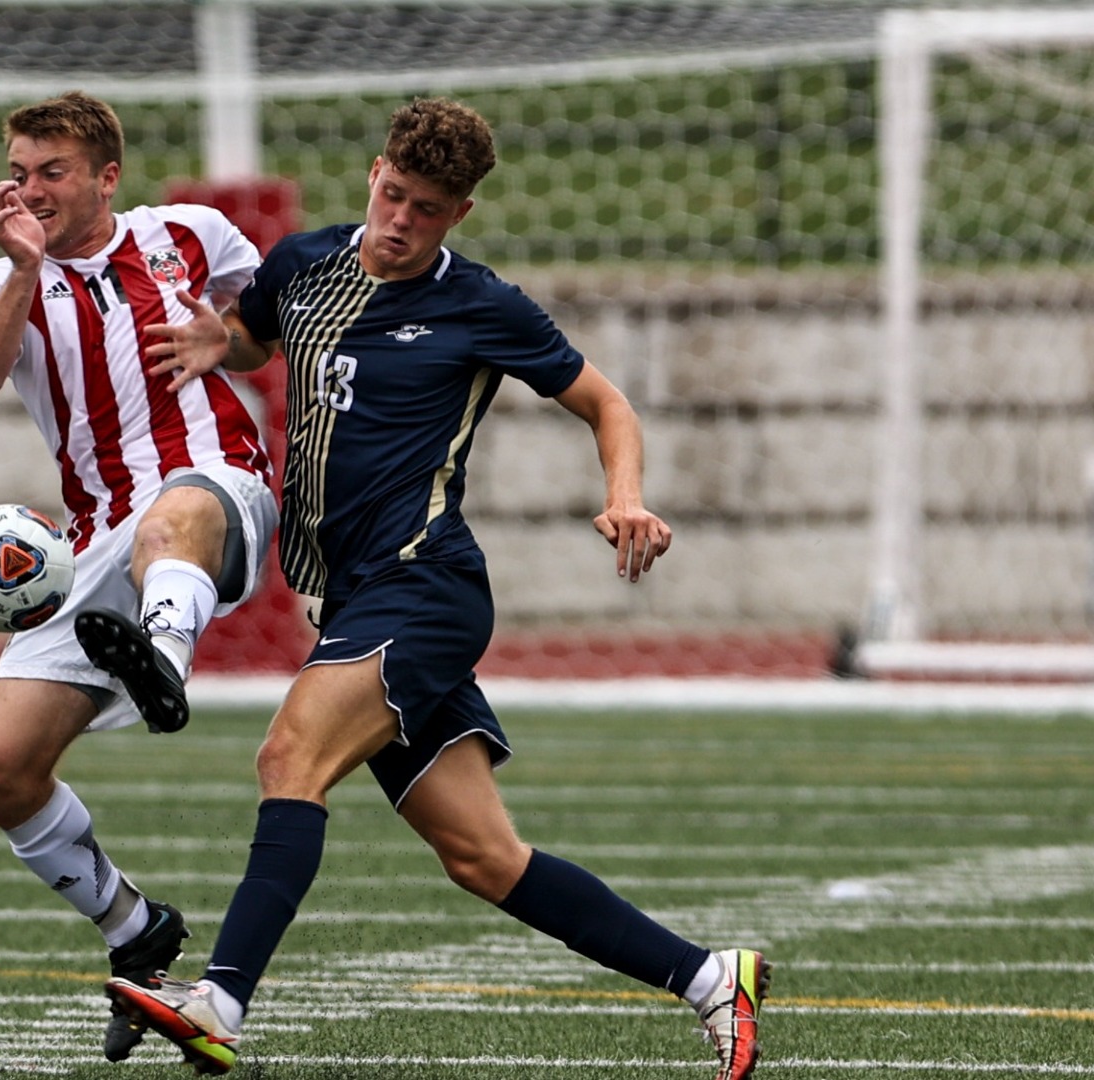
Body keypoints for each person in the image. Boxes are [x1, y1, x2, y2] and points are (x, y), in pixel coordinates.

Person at [105, 98, 769, 1080]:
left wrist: (626, 496)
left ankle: (218, 1004)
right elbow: (255, 334)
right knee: (484, 859)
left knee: (290, 755)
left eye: (428, 207)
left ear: (461, 214)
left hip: (424, 589)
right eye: (393, 193)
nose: (401, 218)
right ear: (373, 173)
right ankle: (712, 978)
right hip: (355, 601)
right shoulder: (305, 264)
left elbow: (606, 403)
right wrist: (224, 348)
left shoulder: (482, 304)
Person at [0, 91, 280, 1061]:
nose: (30, 187)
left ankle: (163, 661)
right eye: (19, 169)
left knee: (171, 517)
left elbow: (275, 324)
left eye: (52, 170)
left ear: (105, 177)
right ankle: (137, 930)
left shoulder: (189, 233)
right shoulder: (0, 279)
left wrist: (232, 339)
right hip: (90, 537)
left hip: (217, 486)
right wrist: (23, 267)